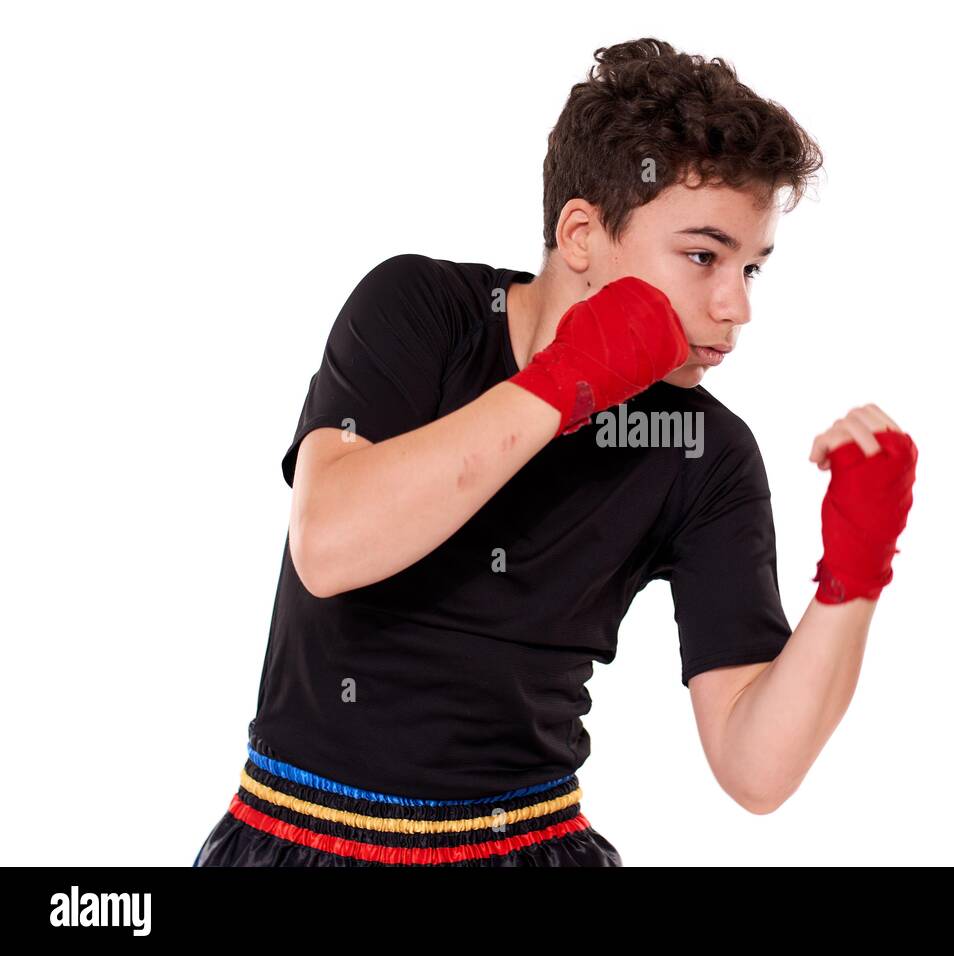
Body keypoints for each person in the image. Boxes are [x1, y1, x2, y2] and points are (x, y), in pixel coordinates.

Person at [193, 36, 917, 868]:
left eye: (751, 268)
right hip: (297, 836)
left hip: (530, 845)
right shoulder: (421, 310)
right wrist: (567, 380)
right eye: (702, 256)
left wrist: (856, 574)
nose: (735, 306)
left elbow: (756, 770)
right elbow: (328, 546)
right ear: (581, 233)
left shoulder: (705, 452)